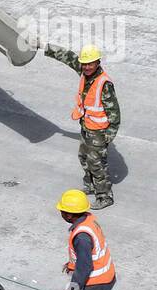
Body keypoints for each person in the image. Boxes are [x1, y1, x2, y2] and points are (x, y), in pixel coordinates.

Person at [46, 44, 121, 208]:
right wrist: (43, 46)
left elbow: (114, 114)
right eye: (84, 63)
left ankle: (105, 197)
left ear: (97, 62)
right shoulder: (85, 72)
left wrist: (107, 137)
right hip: (87, 126)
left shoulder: (104, 84)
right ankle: (91, 186)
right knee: (84, 158)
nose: (86, 67)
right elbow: (67, 56)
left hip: (99, 132)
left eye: (90, 63)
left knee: (97, 163)